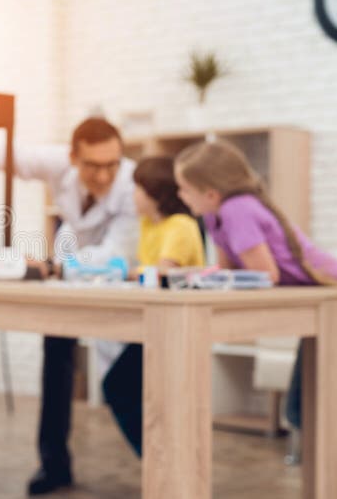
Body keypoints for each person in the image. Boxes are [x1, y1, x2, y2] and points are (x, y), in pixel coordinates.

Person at [0, 117, 137, 495]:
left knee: (121, 385)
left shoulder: (131, 184)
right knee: (56, 359)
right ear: (73, 157)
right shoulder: (60, 163)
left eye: (112, 164)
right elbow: (19, 157)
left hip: (115, 282)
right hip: (69, 271)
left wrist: (52, 266)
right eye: (93, 165)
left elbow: (118, 253)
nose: (104, 175)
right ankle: (54, 464)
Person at [174, 140, 337, 434]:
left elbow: (265, 275)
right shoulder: (215, 216)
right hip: (321, 295)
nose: (180, 195)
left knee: (307, 406)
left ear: (210, 193)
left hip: (332, 291)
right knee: (303, 407)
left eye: (185, 189)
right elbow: (229, 270)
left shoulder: (238, 210)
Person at [102, 155, 205, 456]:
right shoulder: (148, 224)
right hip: (154, 323)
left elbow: (161, 273)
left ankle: (158, 458)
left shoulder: (181, 226)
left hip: (178, 326)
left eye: (137, 189)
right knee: (123, 388)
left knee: (118, 386)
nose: (132, 196)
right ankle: (155, 458)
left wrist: (130, 272)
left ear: (156, 194)